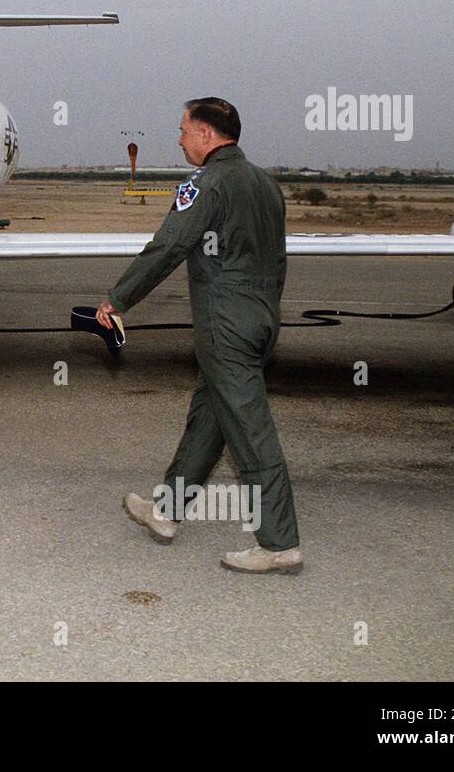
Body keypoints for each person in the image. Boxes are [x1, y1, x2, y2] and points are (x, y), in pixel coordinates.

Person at [96, 97, 303, 574]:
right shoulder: (265, 184)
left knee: (251, 434)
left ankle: (279, 541)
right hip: (262, 318)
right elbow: (277, 259)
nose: (180, 138)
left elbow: (170, 245)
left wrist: (119, 298)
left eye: (185, 130)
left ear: (208, 134)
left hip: (225, 326)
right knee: (209, 420)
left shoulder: (205, 184)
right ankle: (166, 513)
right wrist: (264, 314)